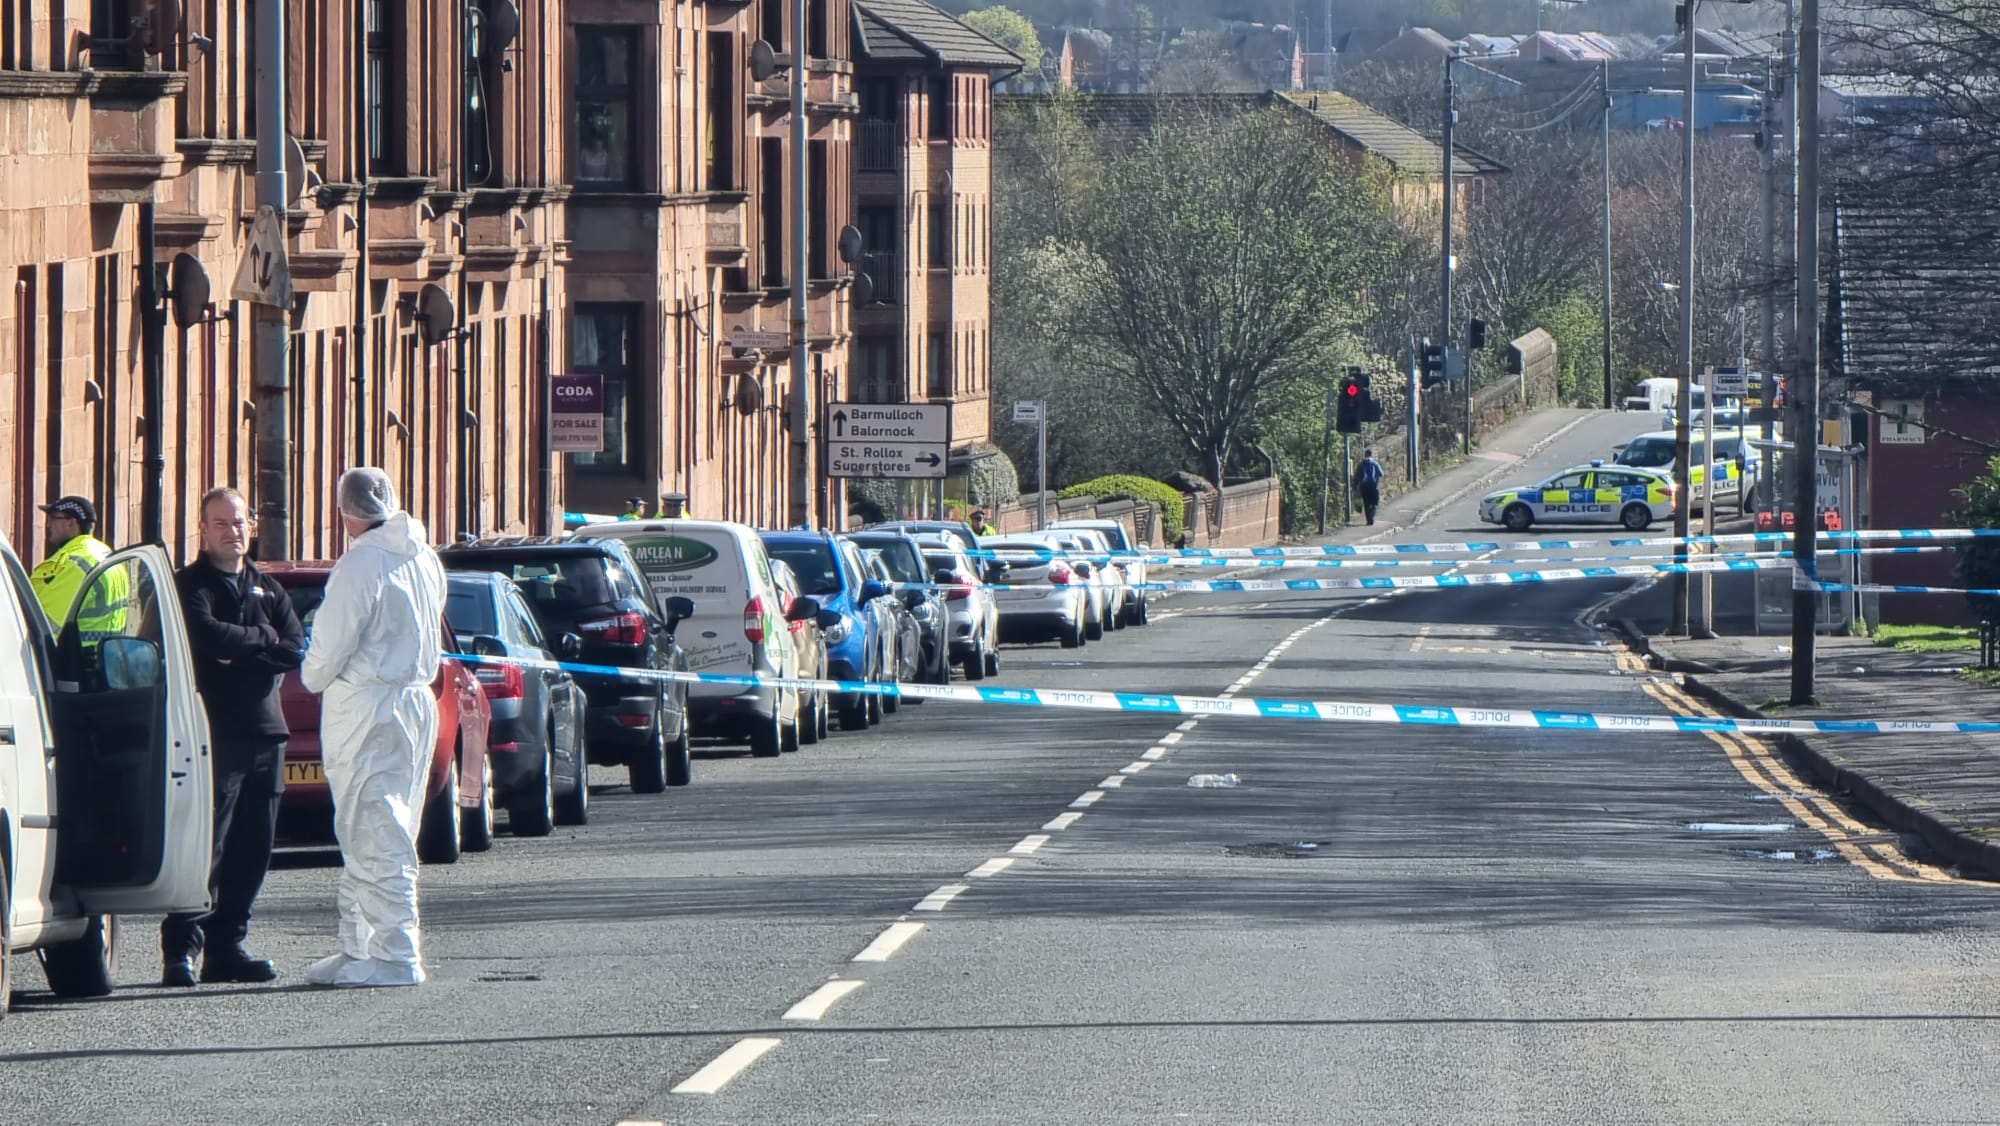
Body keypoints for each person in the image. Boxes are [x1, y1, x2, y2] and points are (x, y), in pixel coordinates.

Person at [300, 468, 446, 988]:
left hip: (368, 708)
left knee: (374, 827)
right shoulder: (422, 557)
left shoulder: (360, 564)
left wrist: (311, 675)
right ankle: (359, 944)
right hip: (411, 703)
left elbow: (329, 647)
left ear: (344, 513)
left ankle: (395, 951)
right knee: (380, 826)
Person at [161, 487, 305, 988]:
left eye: (239, 522)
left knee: (253, 847)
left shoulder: (266, 587)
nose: (233, 531)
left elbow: (293, 648)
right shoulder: (190, 586)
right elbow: (205, 636)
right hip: (210, 736)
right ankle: (181, 950)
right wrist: (260, 642)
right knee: (206, 846)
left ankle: (228, 946)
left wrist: (246, 651)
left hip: (266, 734)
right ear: (203, 530)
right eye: (221, 523)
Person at [30, 496, 123, 630]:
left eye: (53, 518)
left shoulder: (77, 564)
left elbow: (45, 623)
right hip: (107, 649)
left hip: (76, 650)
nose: (48, 524)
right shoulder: (106, 553)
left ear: (71, 523)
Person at [1354, 449, 1385, 526]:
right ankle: (1372, 517)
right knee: (1374, 503)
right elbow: (1381, 473)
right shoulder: (1375, 463)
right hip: (1374, 486)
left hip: (1364, 487)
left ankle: (1368, 520)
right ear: (1371, 455)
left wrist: (1356, 485)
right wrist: (1376, 479)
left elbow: (1357, 475)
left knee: (1366, 503)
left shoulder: (1361, 464)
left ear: (1365, 455)